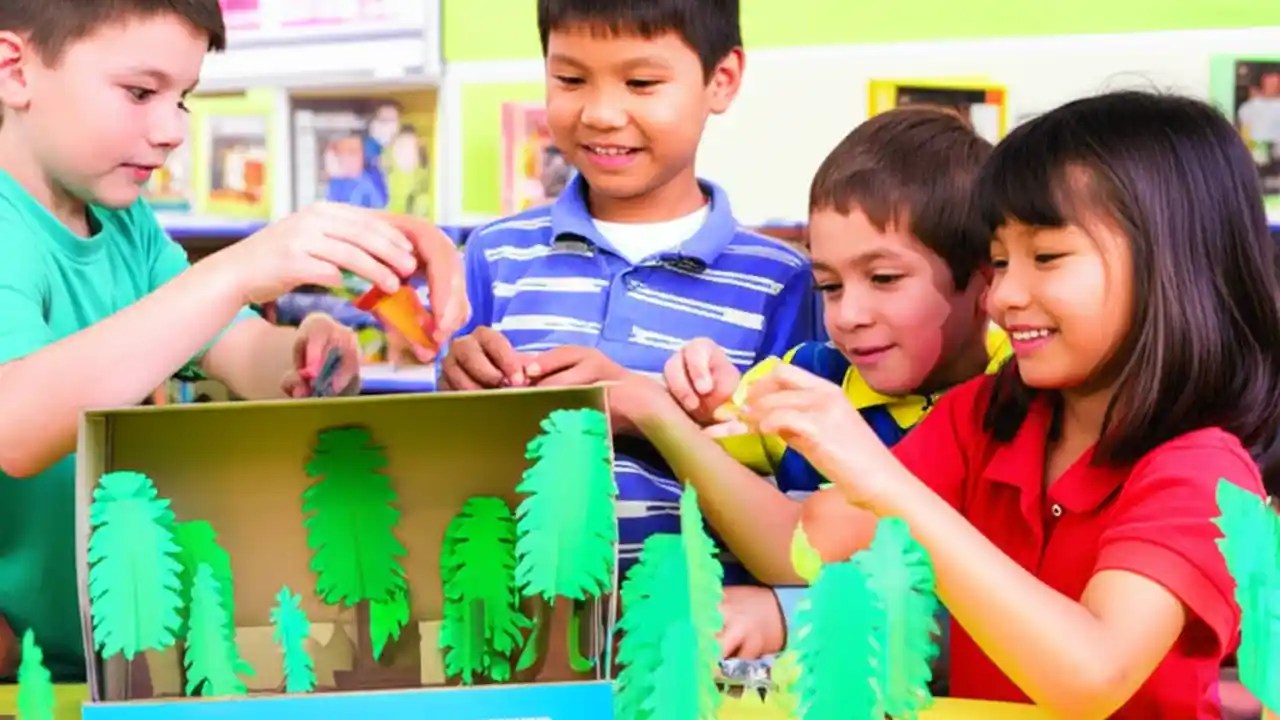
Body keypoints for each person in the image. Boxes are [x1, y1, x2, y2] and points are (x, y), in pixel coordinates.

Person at [741, 91, 1280, 717]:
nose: (1004, 297)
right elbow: (804, 538)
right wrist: (660, 414)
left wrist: (885, 481)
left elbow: (1092, 675)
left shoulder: (1202, 470)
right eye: (999, 261)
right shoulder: (987, 416)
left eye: (1046, 257)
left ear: (1176, 263)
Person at [0, 0, 466, 679]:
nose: (170, 131)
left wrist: (306, 353)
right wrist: (237, 270)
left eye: (182, 98)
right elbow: (17, 422)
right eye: (139, 92)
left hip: (114, 657)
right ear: (15, 70)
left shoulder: (126, 228)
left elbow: (240, 351)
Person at [611, 107, 1009, 660]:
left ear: (985, 280)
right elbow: (728, 430)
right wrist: (705, 400)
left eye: (884, 279)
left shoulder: (1013, 407)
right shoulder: (809, 376)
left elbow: (807, 549)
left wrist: (785, 612)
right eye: (829, 285)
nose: (849, 315)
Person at [439, 0, 813, 581]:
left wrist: (661, 410)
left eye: (640, 82)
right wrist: (455, 383)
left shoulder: (783, 281)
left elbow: (803, 496)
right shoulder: (494, 254)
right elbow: (447, 456)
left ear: (722, 79)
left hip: (704, 643)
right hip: (515, 636)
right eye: (569, 79)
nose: (601, 114)